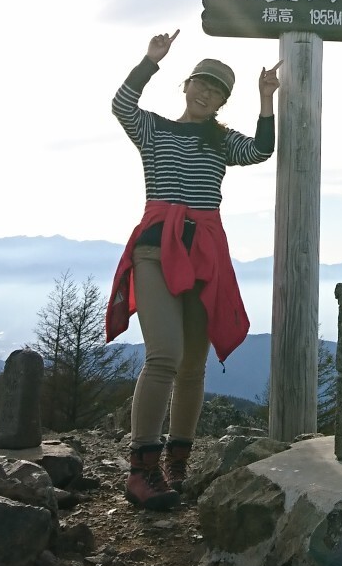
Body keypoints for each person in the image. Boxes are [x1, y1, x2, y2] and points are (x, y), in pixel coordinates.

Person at [104, 28, 278, 510]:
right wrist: (149, 60)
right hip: (156, 250)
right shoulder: (154, 128)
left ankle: (176, 465)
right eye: (201, 83)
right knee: (163, 356)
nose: (206, 93)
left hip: (203, 252)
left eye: (218, 90)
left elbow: (262, 150)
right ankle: (142, 469)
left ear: (223, 101)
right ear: (186, 85)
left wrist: (266, 102)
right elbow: (121, 106)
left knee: (193, 366)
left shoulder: (221, 141)